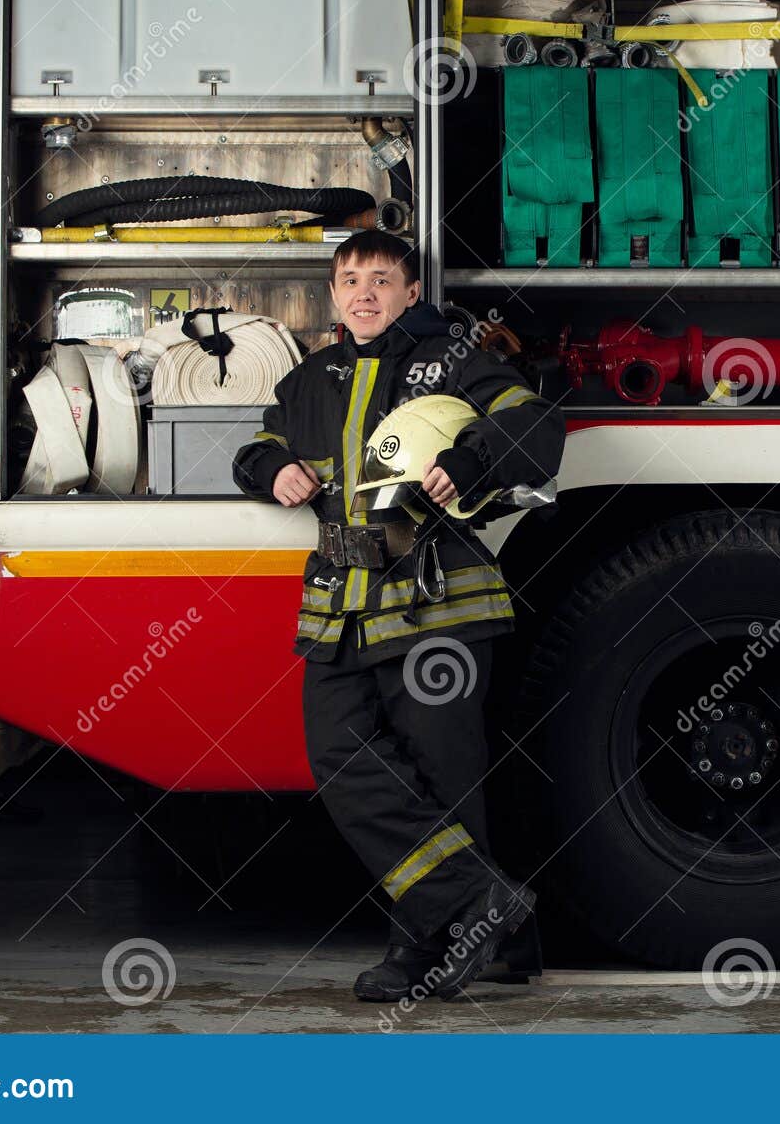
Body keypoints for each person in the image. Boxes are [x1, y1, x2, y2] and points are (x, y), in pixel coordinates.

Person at [232, 229, 565, 1000]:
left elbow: (535, 424)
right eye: (350, 279)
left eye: (382, 278)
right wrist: (271, 467)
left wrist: (471, 458)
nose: (365, 292)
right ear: (333, 294)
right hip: (341, 610)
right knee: (343, 762)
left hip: (436, 599)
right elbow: (256, 447)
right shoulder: (311, 378)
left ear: (411, 290)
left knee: (441, 779)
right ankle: (488, 912)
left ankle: (427, 947)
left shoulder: (453, 360)